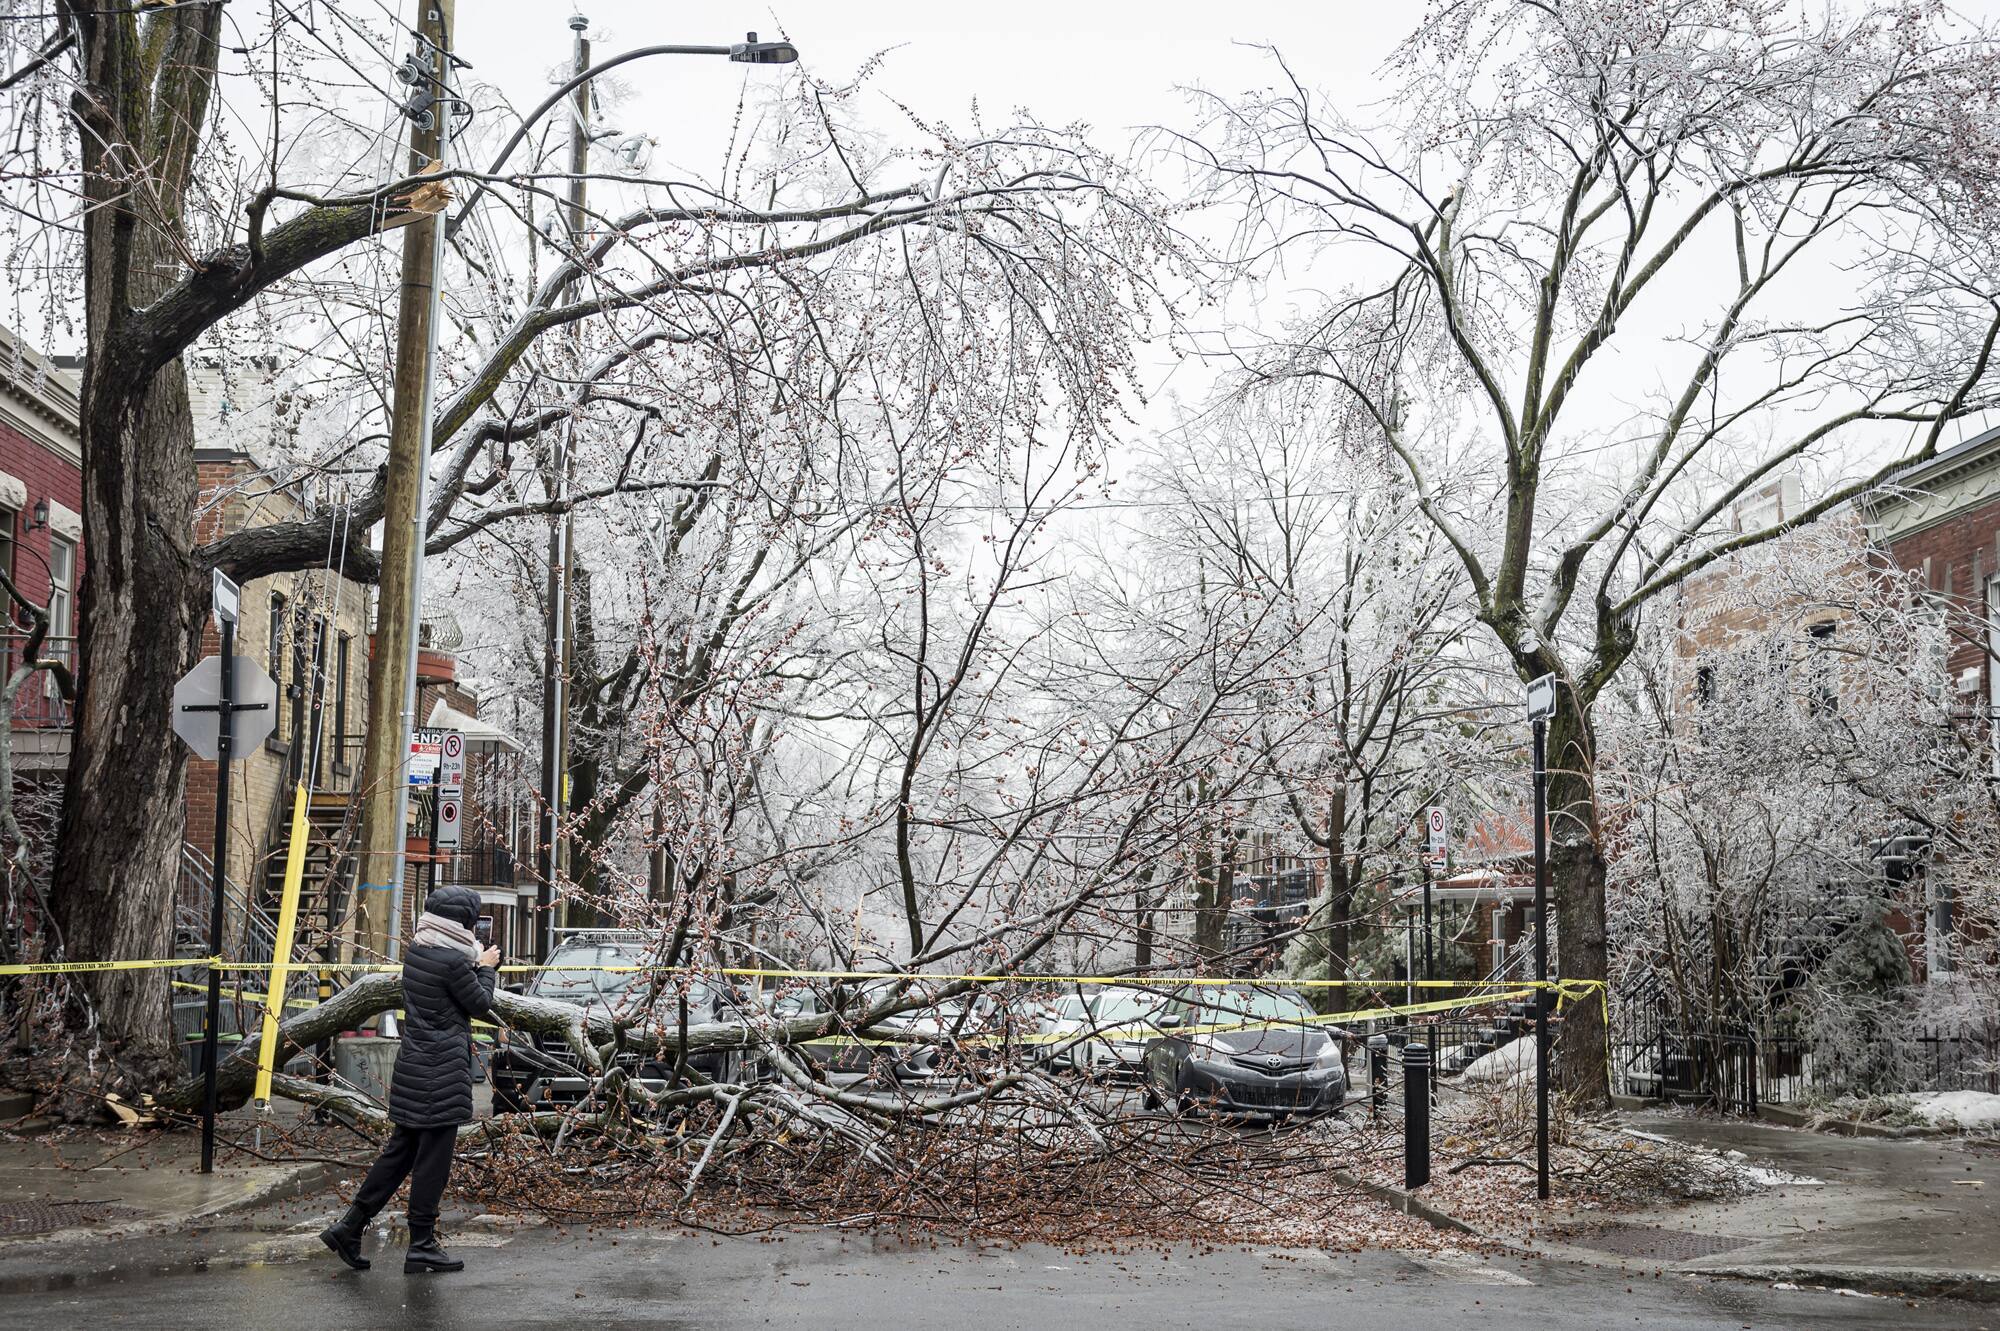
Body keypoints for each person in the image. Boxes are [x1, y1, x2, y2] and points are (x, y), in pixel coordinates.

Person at [321, 885, 498, 1274]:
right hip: (440, 1074)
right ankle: (421, 1244)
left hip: (415, 1068)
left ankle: (349, 1227)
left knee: (399, 1155)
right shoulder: (454, 963)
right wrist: (485, 967)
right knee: (433, 1162)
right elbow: (481, 1003)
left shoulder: (420, 951)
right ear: (461, 923)